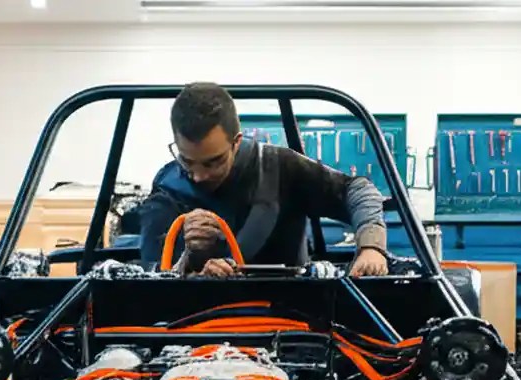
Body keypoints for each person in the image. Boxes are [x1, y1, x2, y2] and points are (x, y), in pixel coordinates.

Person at [137, 82, 390, 277]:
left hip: (288, 316)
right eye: (187, 161)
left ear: (236, 143)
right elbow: (151, 276)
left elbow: (357, 190)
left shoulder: (279, 169)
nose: (200, 175)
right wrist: (190, 264)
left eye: (213, 161)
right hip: (195, 324)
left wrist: (371, 247)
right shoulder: (168, 189)